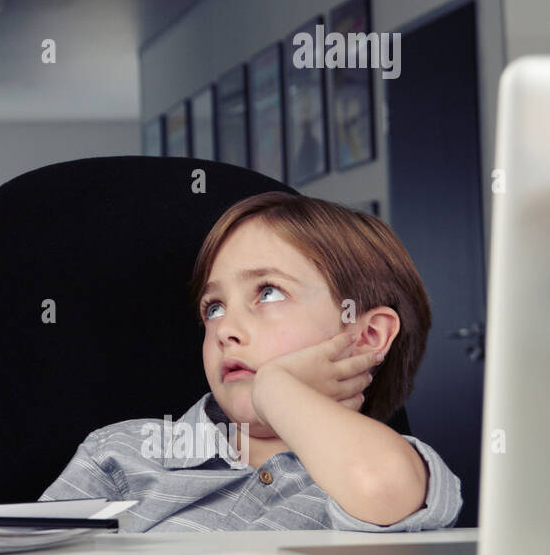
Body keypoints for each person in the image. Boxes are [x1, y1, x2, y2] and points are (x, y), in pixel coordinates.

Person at [40, 191, 463, 533]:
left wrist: (276, 389)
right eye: (214, 307)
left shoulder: (388, 465)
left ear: (366, 337)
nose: (226, 329)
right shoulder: (121, 452)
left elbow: (380, 486)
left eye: (269, 293)